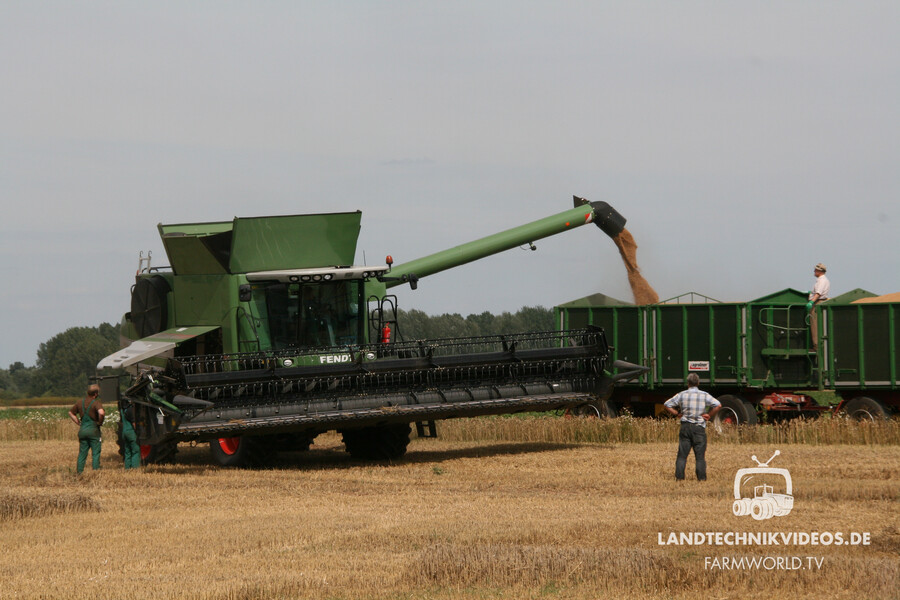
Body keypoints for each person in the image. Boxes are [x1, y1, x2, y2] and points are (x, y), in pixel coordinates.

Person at [663, 373, 721, 481]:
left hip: (685, 426)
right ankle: (701, 479)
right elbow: (718, 405)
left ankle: (679, 479)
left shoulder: (682, 394)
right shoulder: (704, 395)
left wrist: (677, 413)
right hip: (699, 427)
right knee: (700, 456)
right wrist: (709, 414)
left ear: (688, 383)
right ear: (698, 383)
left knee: (682, 455)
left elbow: (667, 404)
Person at [68, 384, 105, 473]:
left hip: (83, 430)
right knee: (95, 453)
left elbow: (70, 413)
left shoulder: (80, 402)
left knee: (82, 453)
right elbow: (102, 413)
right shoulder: (96, 402)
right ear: (95, 394)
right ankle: (95, 471)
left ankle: (79, 472)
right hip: (93, 430)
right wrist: (100, 422)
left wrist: (78, 423)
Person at [807, 263, 831, 351]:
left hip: (817, 302)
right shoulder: (823, 280)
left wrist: (811, 302)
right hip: (819, 302)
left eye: (815, 270)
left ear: (819, 271)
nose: (814, 271)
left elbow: (818, 293)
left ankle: (816, 347)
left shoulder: (822, 281)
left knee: (815, 325)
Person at [119, 398, 141, 469]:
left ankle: (127, 468)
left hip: (124, 433)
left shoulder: (122, 411)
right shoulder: (130, 410)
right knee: (136, 451)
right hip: (131, 433)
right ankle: (135, 468)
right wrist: (138, 431)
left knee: (127, 451)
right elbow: (134, 423)